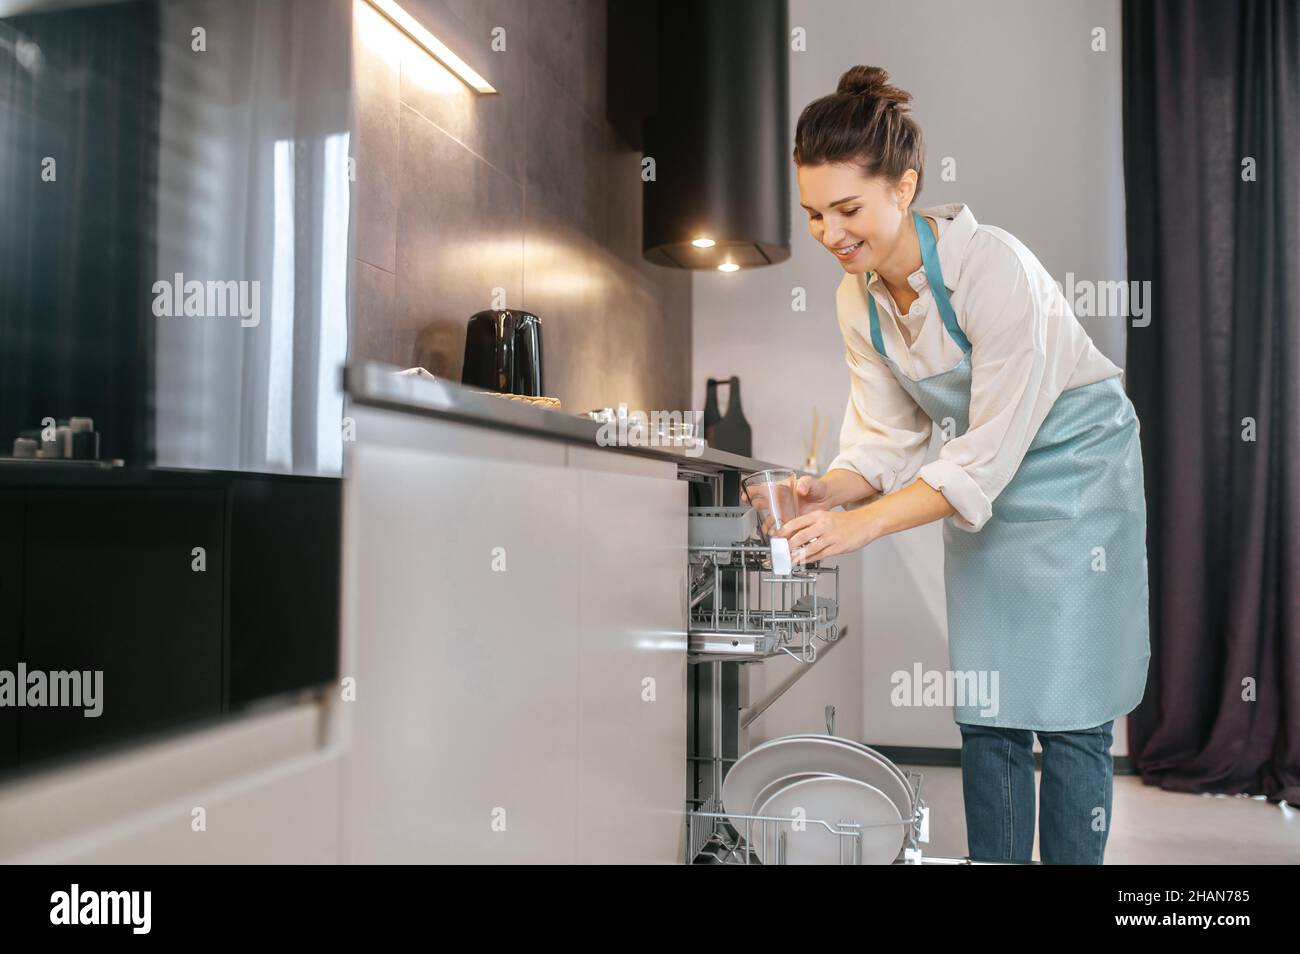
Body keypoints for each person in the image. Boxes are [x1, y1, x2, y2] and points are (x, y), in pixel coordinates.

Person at [773, 65, 1151, 864]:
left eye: (847, 209)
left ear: (903, 188)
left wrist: (862, 525)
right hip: (981, 486)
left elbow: (979, 456)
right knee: (988, 701)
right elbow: (884, 441)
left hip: (1077, 472)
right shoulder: (859, 300)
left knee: (1071, 707)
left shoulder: (994, 270)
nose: (830, 234)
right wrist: (825, 491)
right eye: (813, 214)